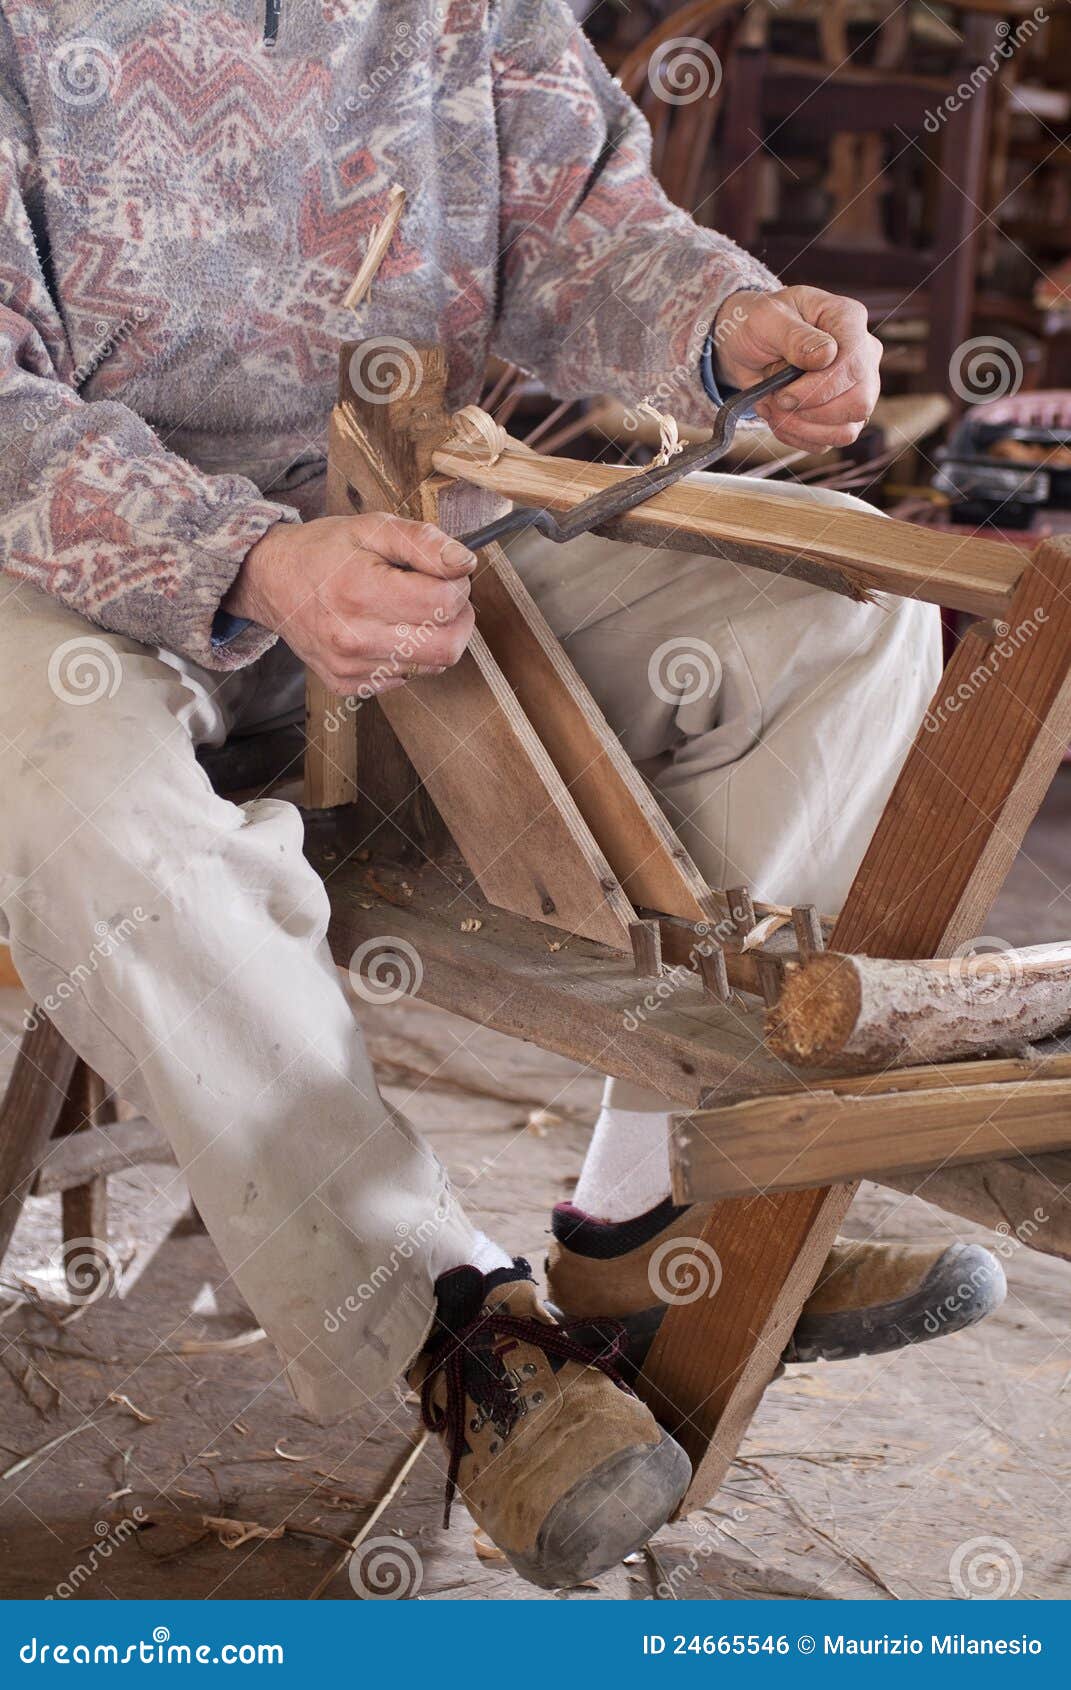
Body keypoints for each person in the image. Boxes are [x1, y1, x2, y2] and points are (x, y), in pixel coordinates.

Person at [0, 2, 1003, 1589]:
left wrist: (729, 321)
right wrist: (249, 556)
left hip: (409, 555)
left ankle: (648, 1223)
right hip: (79, 592)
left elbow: (580, 222)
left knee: (837, 624)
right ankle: (457, 1331)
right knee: (77, 795)